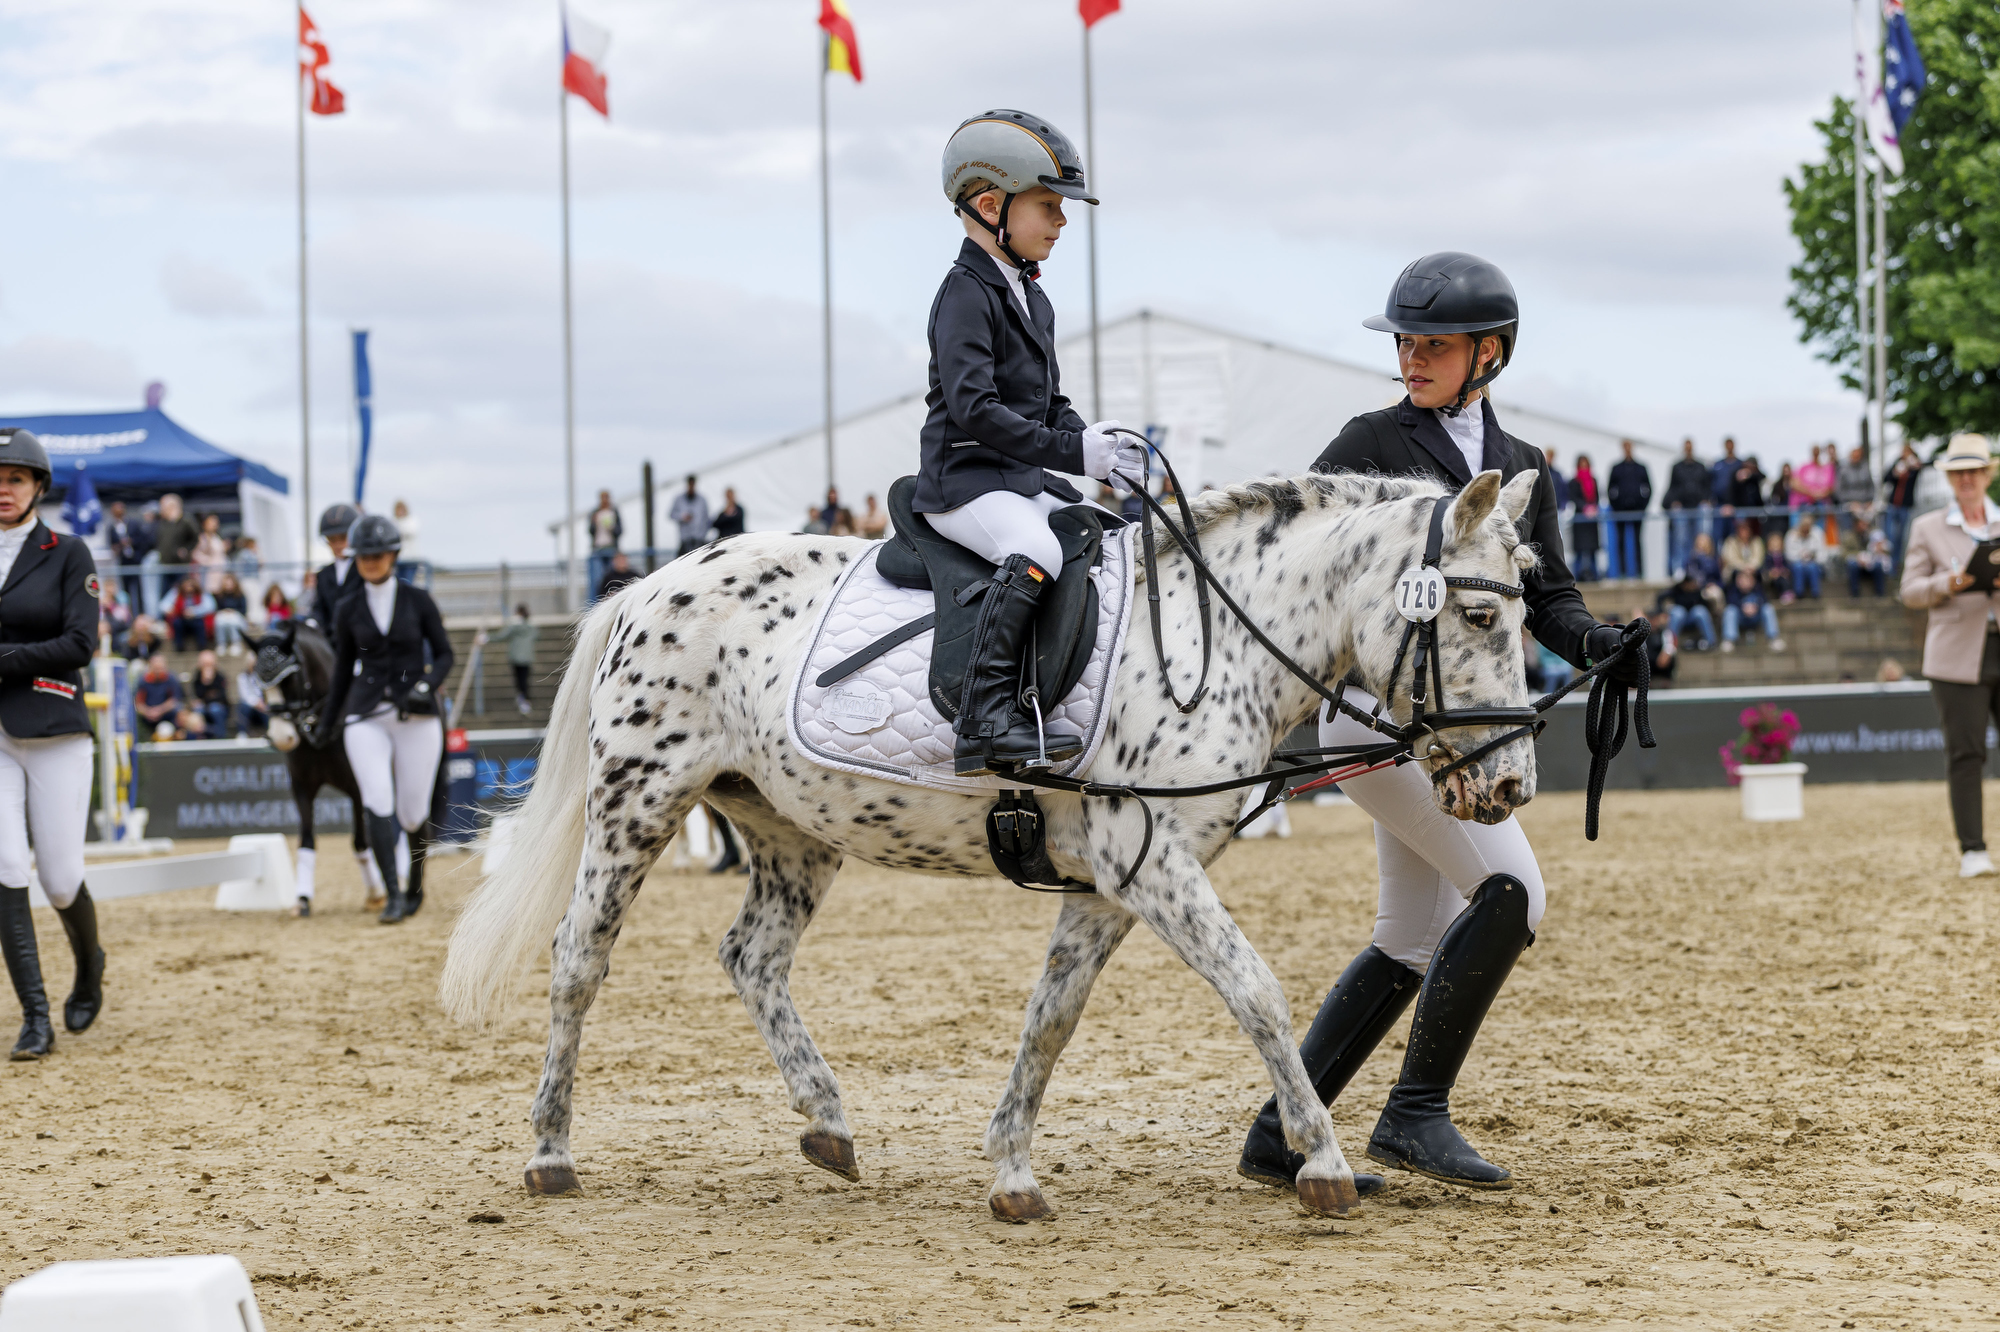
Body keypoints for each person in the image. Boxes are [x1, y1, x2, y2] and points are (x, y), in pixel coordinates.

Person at [1238, 251, 1636, 1198]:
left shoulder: (1526, 467)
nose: (1412, 358)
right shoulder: (1366, 440)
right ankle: (1415, 1113)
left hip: (1447, 728)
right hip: (1375, 721)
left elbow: (1549, 595)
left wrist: (1594, 646)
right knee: (1513, 895)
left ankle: (1280, 1134)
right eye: (1405, 343)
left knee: (1411, 937)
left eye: (1434, 345)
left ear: (1488, 354)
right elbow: (1305, 570)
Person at [919, 109, 1138, 776]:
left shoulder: (1031, 297)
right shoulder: (964, 292)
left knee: (1103, 535)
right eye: (1050, 206)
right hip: (965, 482)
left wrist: (1097, 443)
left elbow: (1050, 405)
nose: (1061, 221)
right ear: (992, 205)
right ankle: (984, 720)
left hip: (1019, 480)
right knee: (1036, 548)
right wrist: (1073, 455)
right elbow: (975, 409)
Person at [0, 429, 108, 1060]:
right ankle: (34, 1017)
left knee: (61, 879)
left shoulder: (67, 552)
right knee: (7, 867)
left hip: (52, 728)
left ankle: (89, 962)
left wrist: (6, 657)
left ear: (37, 486)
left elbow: (79, 645)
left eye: (14, 479)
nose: (3, 491)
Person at [311, 514, 453, 923]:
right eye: (364, 556)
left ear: (392, 555)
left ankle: (415, 885)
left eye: (378, 555)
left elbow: (444, 654)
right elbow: (340, 672)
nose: (371, 562)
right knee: (376, 799)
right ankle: (391, 895)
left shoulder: (418, 600)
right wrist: (327, 724)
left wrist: (427, 685)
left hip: (417, 715)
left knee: (411, 812)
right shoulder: (346, 607)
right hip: (366, 714)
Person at [1901, 434, 2000, 878]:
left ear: (1987, 474)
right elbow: (1910, 591)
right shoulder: (1928, 527)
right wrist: (1950, 582)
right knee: (1966, 753)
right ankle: (1973, 849)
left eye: (1974, 471)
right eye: (1959, 472)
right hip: (1958, 655)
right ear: (1950, 478)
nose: (1967, 479)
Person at [306, 503, 362, 633]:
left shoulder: (363, 570)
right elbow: (319, 608)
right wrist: (312, 621)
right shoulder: (323, 575)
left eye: (342, 538)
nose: (337, 544)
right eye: (332, 539)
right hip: (331, 637)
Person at [1606, 439, 1651, 579]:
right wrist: (1615, 505)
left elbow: (1649, 488)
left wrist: (1643, 505)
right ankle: (1623, 573)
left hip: (1637, 510)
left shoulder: (1641, 467)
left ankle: (1639, 572)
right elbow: (1610, 489)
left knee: (1637, 542)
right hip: (1620, 511)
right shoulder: (1616, 468)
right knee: (1621, 542)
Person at [1664, 438, 1709, 577]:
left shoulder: (1700, 467)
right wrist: (1674, 502)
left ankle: (1700, 568)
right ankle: (1680, 569)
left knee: (1700, 540)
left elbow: (1706, 487)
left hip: (1698, 508)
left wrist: (1706, 500)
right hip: (1682, 509)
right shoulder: (1677, 467)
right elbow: (1672, 488)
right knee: (1681, 540)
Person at [1721, 567, 1785, 653]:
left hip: (1756, 617)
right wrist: (1742, 607)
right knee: (1730, 610)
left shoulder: (1758, 590)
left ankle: (1774, 638)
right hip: (1741, 618)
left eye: (1747, 579)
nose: (1745, 582)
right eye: (1742, 579)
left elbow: (1764, 601)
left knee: (1768, 608)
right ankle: (1729, 640)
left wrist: (1755, 606)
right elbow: (1730, 601)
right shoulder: (1733, 591)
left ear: (1753, 581)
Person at [1883, 442, 1922, 569]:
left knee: (1900, 536)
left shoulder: (1914, 466)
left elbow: (1920, 469)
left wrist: (1912, 465)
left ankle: (1897, 564)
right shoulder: (1897, 463)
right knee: (1890, 535)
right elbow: (1886, 478)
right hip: (1893, 504)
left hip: (1905, 506)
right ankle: (1888, 562)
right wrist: (1896, 473)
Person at [1655, 572, 1716, 650]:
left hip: (1692, 618)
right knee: (1678, 611)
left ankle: (1711, 642)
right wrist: (1661, 612)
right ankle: (1670, 644)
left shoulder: (1697, 591)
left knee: (1700, 610)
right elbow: (1660, 597)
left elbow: (1706, 606)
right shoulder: (1676, 589)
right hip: (1679, 618)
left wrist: (1705, 595)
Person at [106, 499, 146, 612]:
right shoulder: (112, 527)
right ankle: (129, 614)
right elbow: (112, 545)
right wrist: (119, 546)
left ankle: (141, 612)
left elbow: (143, 540)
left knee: (138, 589)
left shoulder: (133, 523)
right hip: (123, 560)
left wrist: (131, 542)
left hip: (135, 559)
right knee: (126, 590)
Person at [500, 604, 538, 715]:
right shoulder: (531, 626)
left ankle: (523, 699)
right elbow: (537, 635)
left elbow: (502, 635)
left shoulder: (513, 626)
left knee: (519, 679)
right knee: (524, 679)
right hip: (527, 657)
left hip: (516, 657)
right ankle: (524, 699)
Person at [1568, 454, 1601, 580]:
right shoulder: (1574, 481)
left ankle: (1595, 576)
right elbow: (1574, 498)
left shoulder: (1593, 480)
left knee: (1592, 550)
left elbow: (1597, 497)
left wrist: (1593, 508)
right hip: (1580, 520)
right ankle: (1577, 577)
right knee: (1579, 551)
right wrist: (1585, 508)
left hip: (1591, 520)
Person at [164, 575, 216, 651]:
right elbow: (163, 605)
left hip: (197, 618)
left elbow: (211, 606)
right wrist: (170, 609)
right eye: (186, 585)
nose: (188, 588)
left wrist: (194, 611)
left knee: (200, 624)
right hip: (181, 619)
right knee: (176, 623)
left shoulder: (202, 593)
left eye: (190, 585)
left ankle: (202, 646)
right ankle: (179, 646)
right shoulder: (175, 593)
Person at [133, 653, 181, 733]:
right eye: (156, 668)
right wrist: (148, 712)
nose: (158, 671)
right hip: (147, 715)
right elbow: (138, 702)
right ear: (150, 667)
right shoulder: (143, 680)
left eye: (160, 668)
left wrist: (159, 710)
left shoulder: (171, 679)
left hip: (166, 714)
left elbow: (174, 700)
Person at [188, 650, 230, 738]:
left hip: (219, 707)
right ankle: (200, 737)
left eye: (209, 664)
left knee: (214, 709)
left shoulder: (220, 676)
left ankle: (221, 736)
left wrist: (205, 700)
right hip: (204, 707)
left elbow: (222, 697)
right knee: (198, 710)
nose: (207, 667)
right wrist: (205, 682)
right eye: (205, 664)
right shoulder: (197, 677)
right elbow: (197, 695)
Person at [587, 490, 622, 595]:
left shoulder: (614, 512)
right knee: (597, 579)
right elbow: (590, 531)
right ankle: (595, 605)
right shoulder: (595, 513)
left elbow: (620, 531)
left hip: (611, 548)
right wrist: (593, 522)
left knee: (612, 578)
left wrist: (612, 527)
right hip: (598, 548)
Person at [1785, 514, 1828, 599]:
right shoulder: (1791, 534)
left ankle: (1815, 594)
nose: (1805, 529)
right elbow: (1789, 555)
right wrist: (1801, 557)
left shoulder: (1818, 533)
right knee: (1798, 566)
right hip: (1796, 563)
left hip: (1814, 564)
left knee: (1812, 567)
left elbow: (1823, 555)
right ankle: (1799, 593)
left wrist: (1812, 557)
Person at [1843, 523, 1892, 597]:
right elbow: (1844, 553)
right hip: (1857, 562)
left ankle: (1880, 594)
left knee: (1878, 566)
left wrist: (1880, 550)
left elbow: (1887, 549)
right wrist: (1858, 557)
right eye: (1861, 524)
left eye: (1865, 524)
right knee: (1853, 566)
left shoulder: (1873, 534)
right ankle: (1855, 595)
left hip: (1872, 562)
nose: (1863, 527)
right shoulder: (1849, 536)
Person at [1836, 446, 1877, 533]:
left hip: (1866, 503)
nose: (1856, 459)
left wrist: (1869, 500)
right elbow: (1839, 491)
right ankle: (1852, 535)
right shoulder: (1844, 470)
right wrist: (1851, 501)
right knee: (1853, 513)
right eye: (1855, 456)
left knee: (1874, 512)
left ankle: (1870, 535)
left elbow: (1871, 486)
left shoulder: (1865, 469)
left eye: (1858, 456)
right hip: (1850, 504)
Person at [1710, 436, 1742, 544]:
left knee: (1735, 537)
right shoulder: (1717, 465)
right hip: (1719, 507)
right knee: (1718, 537)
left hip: (1736, 507)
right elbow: (1711, 484)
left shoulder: (1740, 464)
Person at [1793, 444, 1836, 525]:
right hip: (1804, 505)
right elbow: (1795, 483)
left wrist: (1820, 494)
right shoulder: (1804, 467)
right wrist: (1811, 493)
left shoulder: (1828, 468)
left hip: (1822, 506)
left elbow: (1832, 487)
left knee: (1819, 531)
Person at [670, 476, 711, 557]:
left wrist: (703, 534)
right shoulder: (679, 499)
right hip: (685, 539)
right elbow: (671, 515)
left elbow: (707, 519)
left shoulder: (702, 500)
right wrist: (682, 517)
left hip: (699, 539)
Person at [211, 573, 250, 654]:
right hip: (223, 617)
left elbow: (244, 610)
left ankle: (236, 642)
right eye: (227, 584)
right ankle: (221, 643)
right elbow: (216, 609)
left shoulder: (240, 595)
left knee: (233, 621)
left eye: (230, 584)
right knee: (220, 621)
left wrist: (233, 612)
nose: (229, 586)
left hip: (236, 617)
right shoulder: (219, 596)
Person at [192, 513, 229, 590]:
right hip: (210, 573)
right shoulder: (203, 538)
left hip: (220, 571)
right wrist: (208, 562)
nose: (214, 525)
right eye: (211, 523)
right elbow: (196, 554)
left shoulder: (216, 537)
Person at [1720, 518, 1763, 583]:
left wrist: (1750, 567)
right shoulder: (1731, 541)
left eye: (1746, 529)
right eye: (1742, 529)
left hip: (1753, 572)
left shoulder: (1756, 541)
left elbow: (1758, 559)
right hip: (1735, 571)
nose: (1744, 531)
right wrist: (1744, 568)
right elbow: (1731, 559)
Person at [234, 658, 268, 738]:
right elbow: (244, 695)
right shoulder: (242, 677)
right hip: (249, 705)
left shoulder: (262, 677)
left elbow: (262, 691)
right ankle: (242, 733)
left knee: (268, 707)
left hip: (262, 704)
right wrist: (256, 703)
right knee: (242, 707)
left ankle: (269, 731)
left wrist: (261, 703)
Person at [391, 499, 423, 584]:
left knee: (408, 583)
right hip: (397, 560)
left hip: (410, 559)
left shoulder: (412, 520)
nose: (400, 512)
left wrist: (399, 529)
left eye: (402, 509)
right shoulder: (393, 521)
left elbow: (411, 531)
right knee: (397, 584)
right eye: (398, 509)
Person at [1760, 533, 1795, 604]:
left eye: (1777, 545)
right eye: (1773, 545)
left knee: (1785, 580)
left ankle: (1787, 593)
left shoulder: (1783, 556)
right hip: (1773, 578)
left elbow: (1787, 565)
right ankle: (1781, 594)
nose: (1775, 547)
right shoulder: (1767, 557)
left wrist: (1785, 571)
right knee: (1777, 581)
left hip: (1783, 575)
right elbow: (1766, 567)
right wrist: (1771, 572)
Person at [1766, 462, 1794, 536]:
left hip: (1792, 513)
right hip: (1782, 516)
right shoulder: (1778, 485)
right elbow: (1773, 499)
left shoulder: (1795, 484)